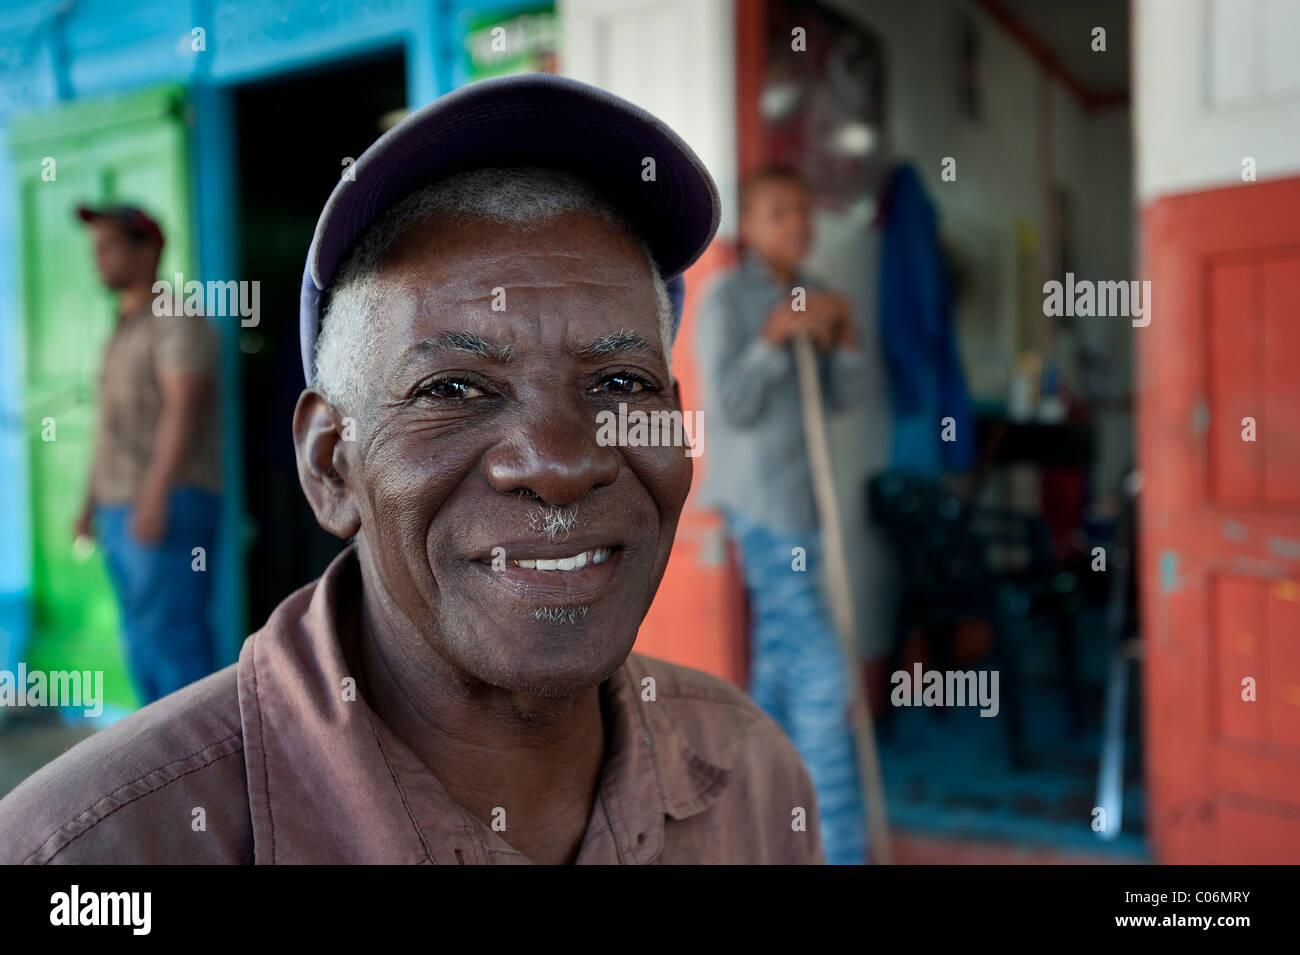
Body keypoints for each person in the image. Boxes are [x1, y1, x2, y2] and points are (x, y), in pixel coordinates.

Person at [0, 74, 823, 865]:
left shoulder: (752, 775)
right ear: (330, 465)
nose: (561, 460)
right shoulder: (85, 850)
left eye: (620, 382)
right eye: (454, 388)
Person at [694, 163, 872, 864]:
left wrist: (845, 332)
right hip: (760, 506)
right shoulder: (726, 297)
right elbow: (730, 403)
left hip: (806, 506)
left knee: (777, 667)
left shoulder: (820, 292)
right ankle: (843, 850)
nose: (796, 224)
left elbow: (842, 397)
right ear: (749, 225)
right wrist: (773, 336)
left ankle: (758, 830)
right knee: (825, 677)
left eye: (804, 210)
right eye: (779, 212)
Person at [73, 205, 222, 706]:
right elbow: (108, 428)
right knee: (140, 642)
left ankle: (203, 771)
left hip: (165, 503)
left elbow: (183, 410)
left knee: (175, 641)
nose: (99, 258)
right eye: (96, 248)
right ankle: (159, 767)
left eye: (110, 246)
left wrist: (155, 499)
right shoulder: (122, 327)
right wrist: (87, 505)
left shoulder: (175, 318)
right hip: (120, 507)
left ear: (150, 249)